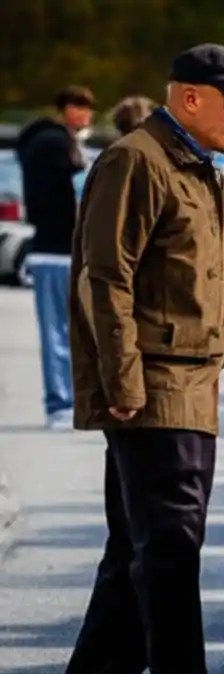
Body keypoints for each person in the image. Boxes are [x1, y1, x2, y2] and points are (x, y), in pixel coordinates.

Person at [60, 44, 224, 674]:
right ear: (188, 98)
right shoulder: (136, 161)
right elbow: (104, 278)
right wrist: (123, 382)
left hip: (189, 382)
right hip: (152, 389)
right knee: (172, 547)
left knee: (138, 546)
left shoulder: (197, 164)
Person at [14, 85, 95, 430]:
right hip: (57, 248)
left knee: (63, 332)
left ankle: (66, 402)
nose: (85, 115)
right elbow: (68, 197)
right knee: (60, 333)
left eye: (88, 109)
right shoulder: (56, 144)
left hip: (54, 248)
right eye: (79, 107)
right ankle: (61, 403)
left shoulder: (47, 142)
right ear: (65, 109)